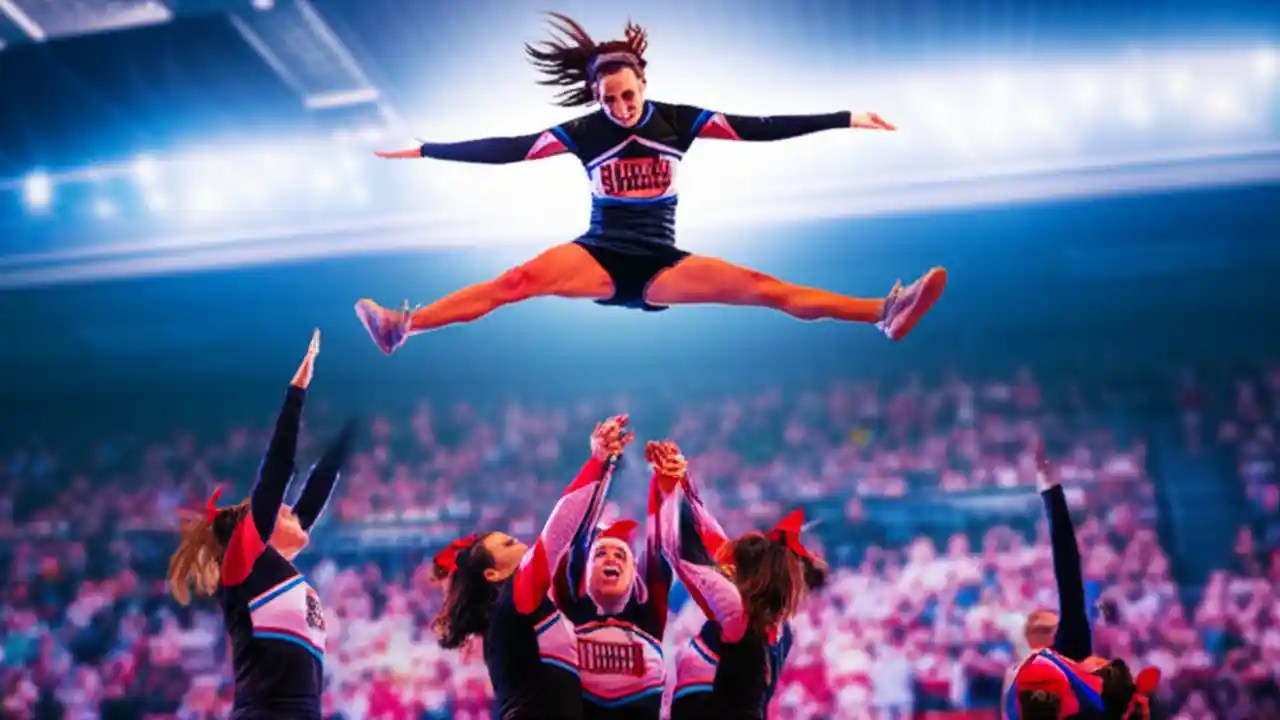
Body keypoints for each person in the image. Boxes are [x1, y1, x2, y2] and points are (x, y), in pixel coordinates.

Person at [356, 13, 946, 354]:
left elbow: (761, 128)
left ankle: (883, 311)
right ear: (596, 97)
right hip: (598, 253)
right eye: (608, 99)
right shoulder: (584, 132)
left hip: (662, 262)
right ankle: (403, 325)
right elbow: (507, 149)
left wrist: (845, 117)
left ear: (643, 83)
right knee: (516, 281)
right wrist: (427, 149)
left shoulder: (678, 121)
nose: (619, 107)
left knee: (763, 287)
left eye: (627, 95)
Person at [167, 329, 355, 719]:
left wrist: (352, 427)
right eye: (283, 511)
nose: (293, 512)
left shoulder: (270, 568)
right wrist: (297, 392)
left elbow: (321, 481)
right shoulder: (244, 565)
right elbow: (277, 471)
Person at [431, 415, 634, 720]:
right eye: (509, 544)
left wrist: (607, 466)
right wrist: (597, 461)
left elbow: (578, 532)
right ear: (493, 574)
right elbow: (561, 529)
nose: (522, 545)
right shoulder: (514, 600)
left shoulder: (522, 610)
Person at [648, 440, 828, 720]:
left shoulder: (744, 613)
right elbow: (707, 540)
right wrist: (678, 482)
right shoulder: (757, 617)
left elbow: (688, 550)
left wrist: (671, 488)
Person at [1005, 441, 1161, 720]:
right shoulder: (1066, 657)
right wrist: (1050, 491)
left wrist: (1051, 491)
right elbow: (1067, 565)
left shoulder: (1083, 667)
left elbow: (1068, 565)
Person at [551, 451, 675, 718]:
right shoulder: (571, 613)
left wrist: (663, 486)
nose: (611, 559)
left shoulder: (649, 619)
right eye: (600, 554)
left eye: (620, 556)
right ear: (586, 572)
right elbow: (572, 536)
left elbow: (659, 546)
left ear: (634, 574)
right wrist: (603, 469)